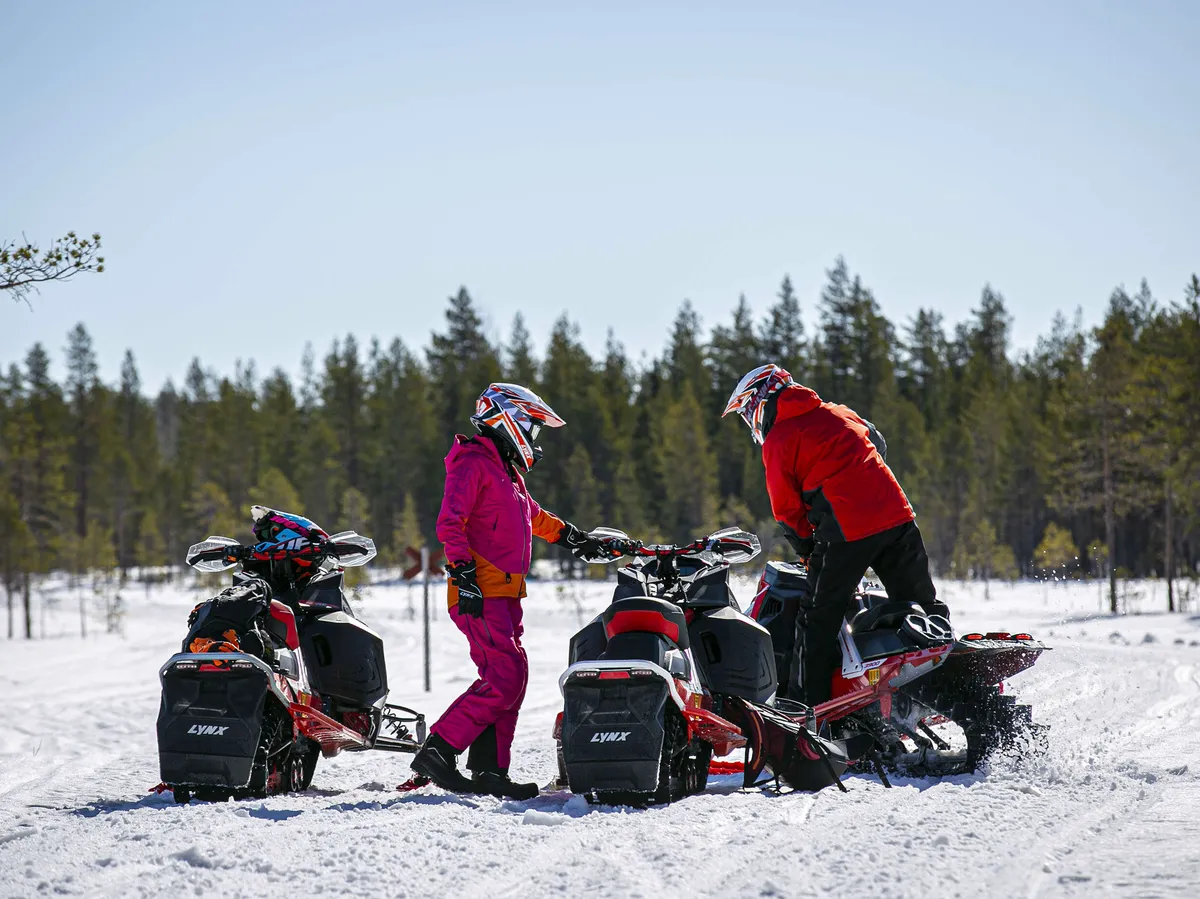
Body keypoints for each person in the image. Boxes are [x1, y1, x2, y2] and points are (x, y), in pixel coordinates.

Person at [410, 383, 615, 799]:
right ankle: (438, 750)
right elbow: (450, 521)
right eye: (532, 428)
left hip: (505, 593)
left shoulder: (505, 471)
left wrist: (574, 538)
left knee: (512, 676)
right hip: (479, 590)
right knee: (503, 677)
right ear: (510, 420)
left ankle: (490, 772)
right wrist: (463, 573)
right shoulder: (472, 461)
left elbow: (533, 516)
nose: (535, 441)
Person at [722, 364, 948, 707]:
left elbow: (786, 511)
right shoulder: (837, 412)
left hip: (847, 530)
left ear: (760, 401)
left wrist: (809, 551)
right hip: (898, 516)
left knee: (816, 620)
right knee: (922, 607)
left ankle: (807, 717)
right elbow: (877, 441)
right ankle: (942, 690)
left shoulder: (780, 438)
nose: (750, 422)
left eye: (747, 412)